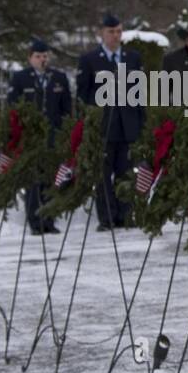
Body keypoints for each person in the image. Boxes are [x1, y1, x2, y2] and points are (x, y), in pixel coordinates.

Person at [76, 14, 144, 230]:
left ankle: (126, 215)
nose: (115, 36)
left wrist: (141, 123)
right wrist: (88, 123)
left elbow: (140, 93)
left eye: (118, 31)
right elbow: (83, 95)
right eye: (111, 32)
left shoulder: (132, 58)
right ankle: (107, 218)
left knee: (126, 172)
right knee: (103, 175)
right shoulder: (90, 60)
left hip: (127, 126)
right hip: (103, 126)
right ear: (102, 33)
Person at [7, 39, 72, 234]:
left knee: (51, 178)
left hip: (53, 136)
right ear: (30, 58)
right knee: (34, 180)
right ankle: (35, 222)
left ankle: (49, 220)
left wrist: (65, 133)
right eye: (38, 56)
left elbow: (66, 109)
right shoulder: (20, 78)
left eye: (45, 56)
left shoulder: (58, 77)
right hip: (32, 137)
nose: (42, 59)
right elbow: (13, 107)